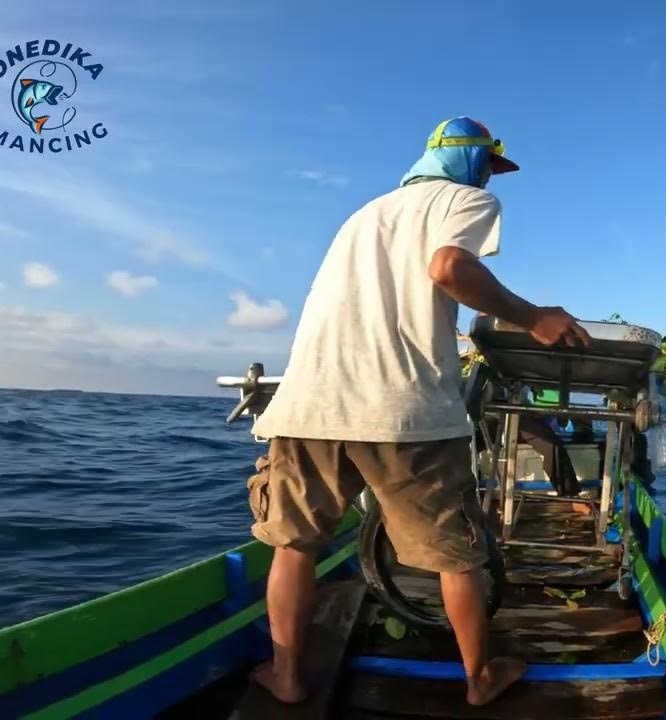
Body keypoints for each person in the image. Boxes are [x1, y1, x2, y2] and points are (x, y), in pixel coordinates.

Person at [245, 116, 592, 706]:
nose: (490, 180)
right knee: (456, 555)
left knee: (295, 546)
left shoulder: (365, 215)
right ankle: (479, 679)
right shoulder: (465, 199)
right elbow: (450, 270)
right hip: (404, 411)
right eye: (490, 168)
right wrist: (535, 317)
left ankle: (287, 676)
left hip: (310, 403)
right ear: (475, 163)